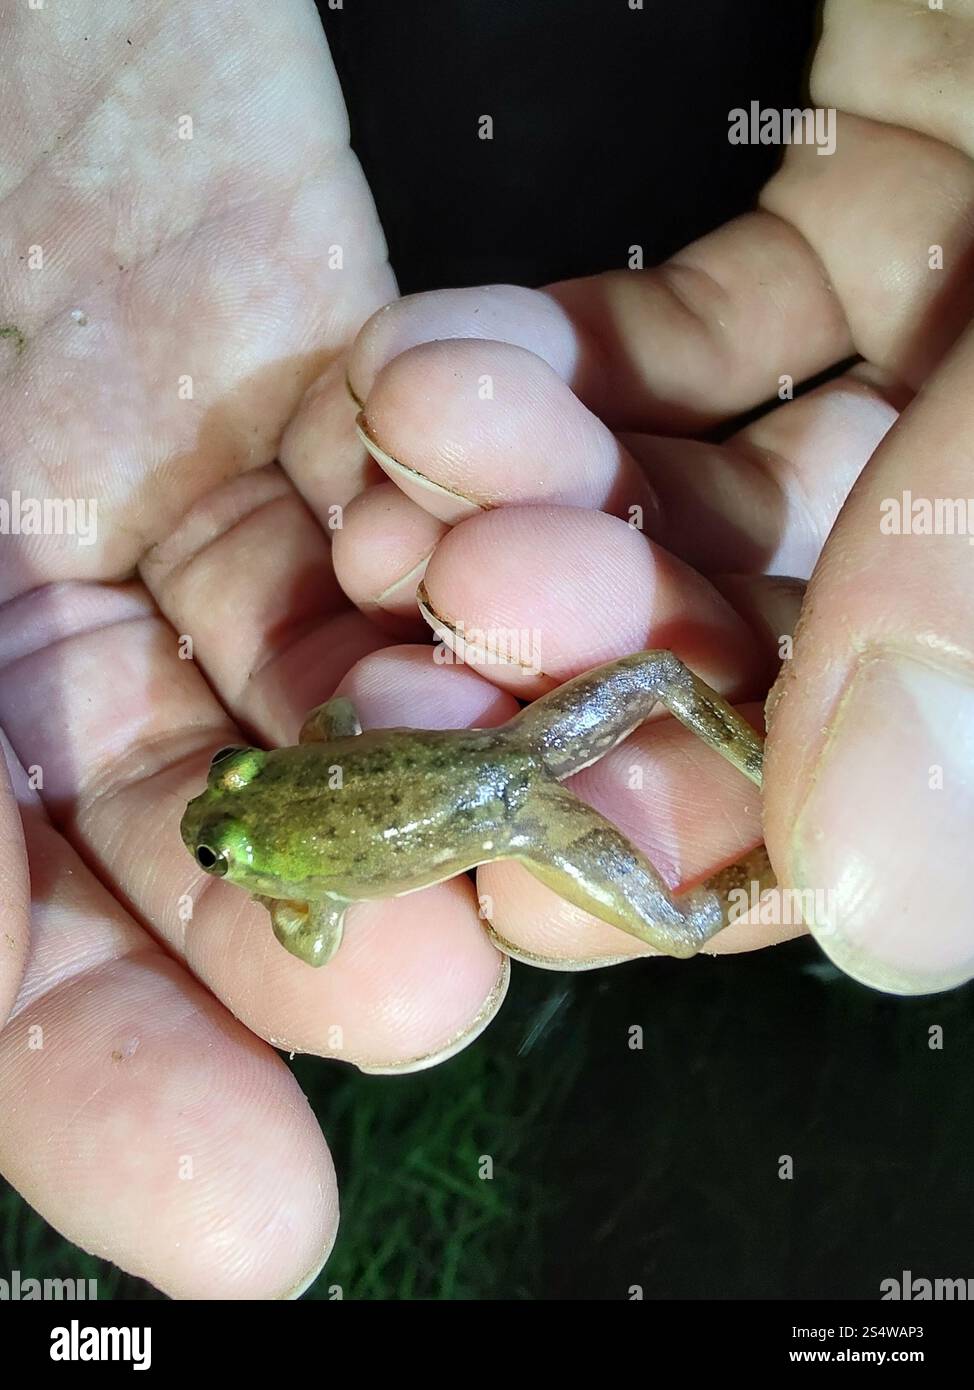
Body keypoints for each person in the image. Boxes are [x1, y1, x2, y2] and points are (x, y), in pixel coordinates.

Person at [0, 0, 970, 1298]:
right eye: (226, 820)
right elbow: (338, 730)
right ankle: (780, 827)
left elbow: (316, 947)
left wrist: (281, 887)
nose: (220, 804)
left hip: (510, 788)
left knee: (676, 903)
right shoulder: (306, 744)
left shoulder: (296, 869)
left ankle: (784, 845)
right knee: (661, 686)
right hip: (509, 772)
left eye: (220, 813)